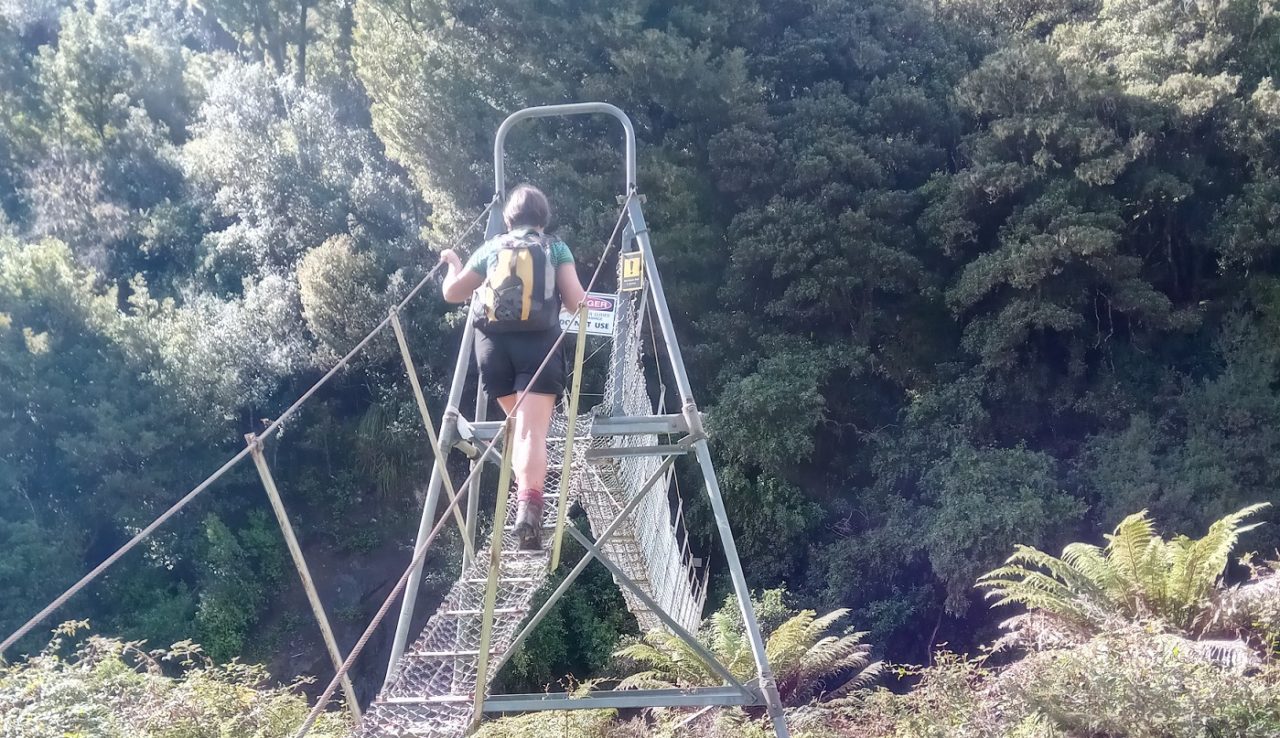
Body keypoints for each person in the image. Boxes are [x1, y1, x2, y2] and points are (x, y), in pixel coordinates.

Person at [438, 185, 586, 550]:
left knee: (520, 428)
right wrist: (552, 308)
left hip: (492, 348)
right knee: (532, 433)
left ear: (508, 218)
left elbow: (452, 294)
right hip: (538, 345)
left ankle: (524, 508)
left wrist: (454, 266)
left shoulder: (492, 248)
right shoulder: (555, 247)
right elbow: (577, 301)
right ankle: (529, 510)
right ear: (543, 218)